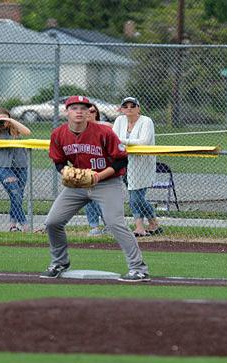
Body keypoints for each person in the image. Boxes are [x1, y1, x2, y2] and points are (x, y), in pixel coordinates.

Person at [40, 95, 150, 282]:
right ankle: (59, 262)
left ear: (89, 112)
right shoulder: (58, 134)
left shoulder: (104, 132)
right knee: (52, 222)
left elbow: (121, 160)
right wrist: (66, 171)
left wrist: (98, 176)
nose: (79, 111)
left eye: (84, 108)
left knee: (115, 223)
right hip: (78, 185)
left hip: (106, 183)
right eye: (75, 108)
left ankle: (138, 269)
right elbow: (59, 161)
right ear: (67, 112)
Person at [112, 96, 162, 237]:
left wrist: (121, 141)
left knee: (136, 197)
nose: (129, 108)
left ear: (138, 108)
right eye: (125, 106)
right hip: (123, 162)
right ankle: (153, 224)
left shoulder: (146, 121)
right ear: (121, 109)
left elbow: (144, 141)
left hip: (142, 164)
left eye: (132, 106)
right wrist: (124, 142)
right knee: (134, 195)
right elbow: (112, 138)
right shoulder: (119, 120)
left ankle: (140, 227)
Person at [84, 103, 109, 236]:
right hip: (87, 167)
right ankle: (94, 226)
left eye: (92, 111)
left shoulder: (105, 126)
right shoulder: (79, 128)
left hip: (104, 168)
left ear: (97, 113)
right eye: (86, 110)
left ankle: (109, 224)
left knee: (104, 198)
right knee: (89, 198)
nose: (89, 113)